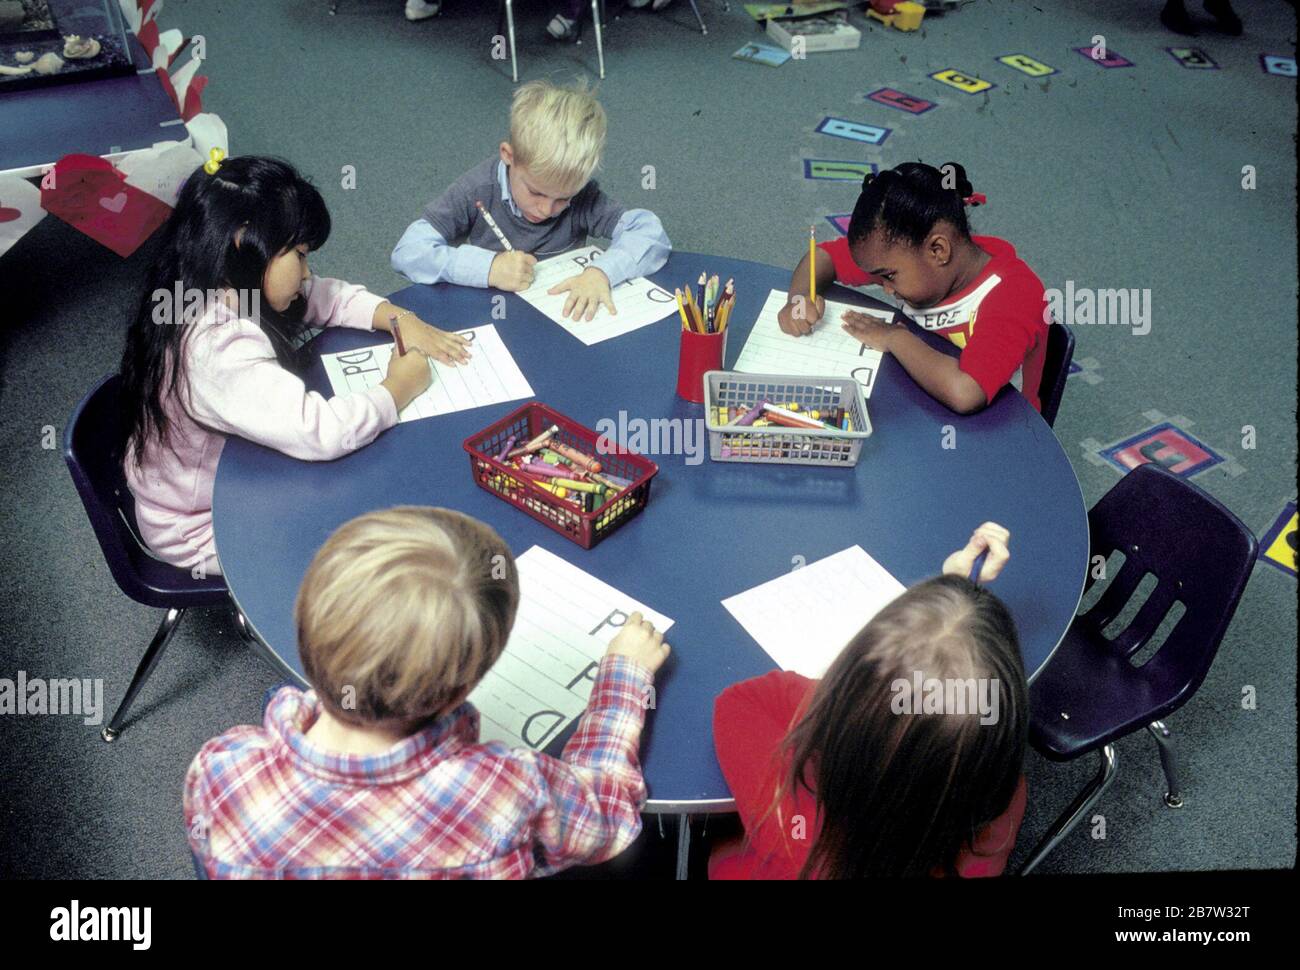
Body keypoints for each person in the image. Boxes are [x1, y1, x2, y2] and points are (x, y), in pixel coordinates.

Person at [184, 506, 671, 878]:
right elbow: (608, 817)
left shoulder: (222, 767)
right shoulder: (506, 788)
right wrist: (622, 680)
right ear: (461, 690)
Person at [120, 155, 468, 576]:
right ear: (242, 244)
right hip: (199, 525)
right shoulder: (215, 348)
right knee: (361, 540)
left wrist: (398, 318)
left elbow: (326, 297)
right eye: (299, 255)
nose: (307, 273)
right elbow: (322, 431)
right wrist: (398, 387)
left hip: (223, 473)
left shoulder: (214, 281)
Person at [712, 522, 1029, 878]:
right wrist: (955, 590)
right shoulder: (1003, 803)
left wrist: (857, 688)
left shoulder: (795, 835)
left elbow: (739, 701)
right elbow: (945, 718)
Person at [777, 162, 1048, 414]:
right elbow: (823, 257)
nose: (886, 288)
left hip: (1004, 435)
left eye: (889, 276)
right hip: (928, 403)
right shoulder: (910, 254)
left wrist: (895, 338)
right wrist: (799, 300)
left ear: (938, 250)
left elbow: (966, 392)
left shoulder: (1013, 295)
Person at [391, 78, 670, 321]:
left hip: (557, 317)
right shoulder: (476, 189)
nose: (547, 209)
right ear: (509, 156)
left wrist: (602, 272)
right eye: (536, 192)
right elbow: (408, 252)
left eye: (564, 198)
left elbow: (649, 232)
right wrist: (488, 268)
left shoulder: (582, 195)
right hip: (490, 313)